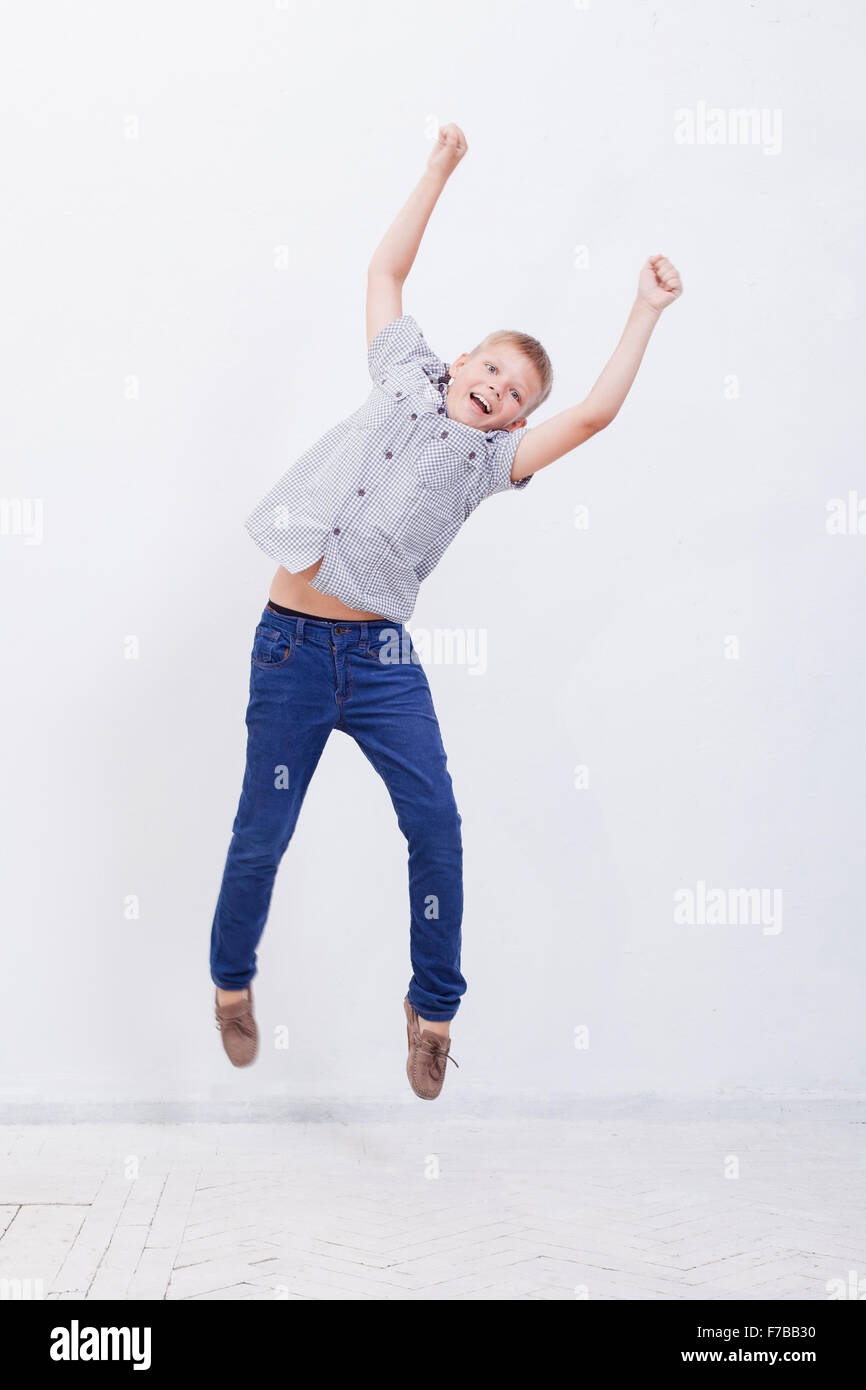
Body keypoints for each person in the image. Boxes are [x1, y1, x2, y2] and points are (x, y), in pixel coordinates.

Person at [210, 123, 683, 1100]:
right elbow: (384, 269)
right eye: (494, 370)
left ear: (511, 421)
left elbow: (593, 413)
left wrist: (642, 311)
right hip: (290, 649)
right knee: (262, 831)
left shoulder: (487, 464)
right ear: (459, 358)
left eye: (515, 395)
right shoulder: (398, 370)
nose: (499, 390)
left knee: (436, 825)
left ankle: (431, 1012)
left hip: (380, 660)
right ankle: (230, 983)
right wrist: (436, 170)